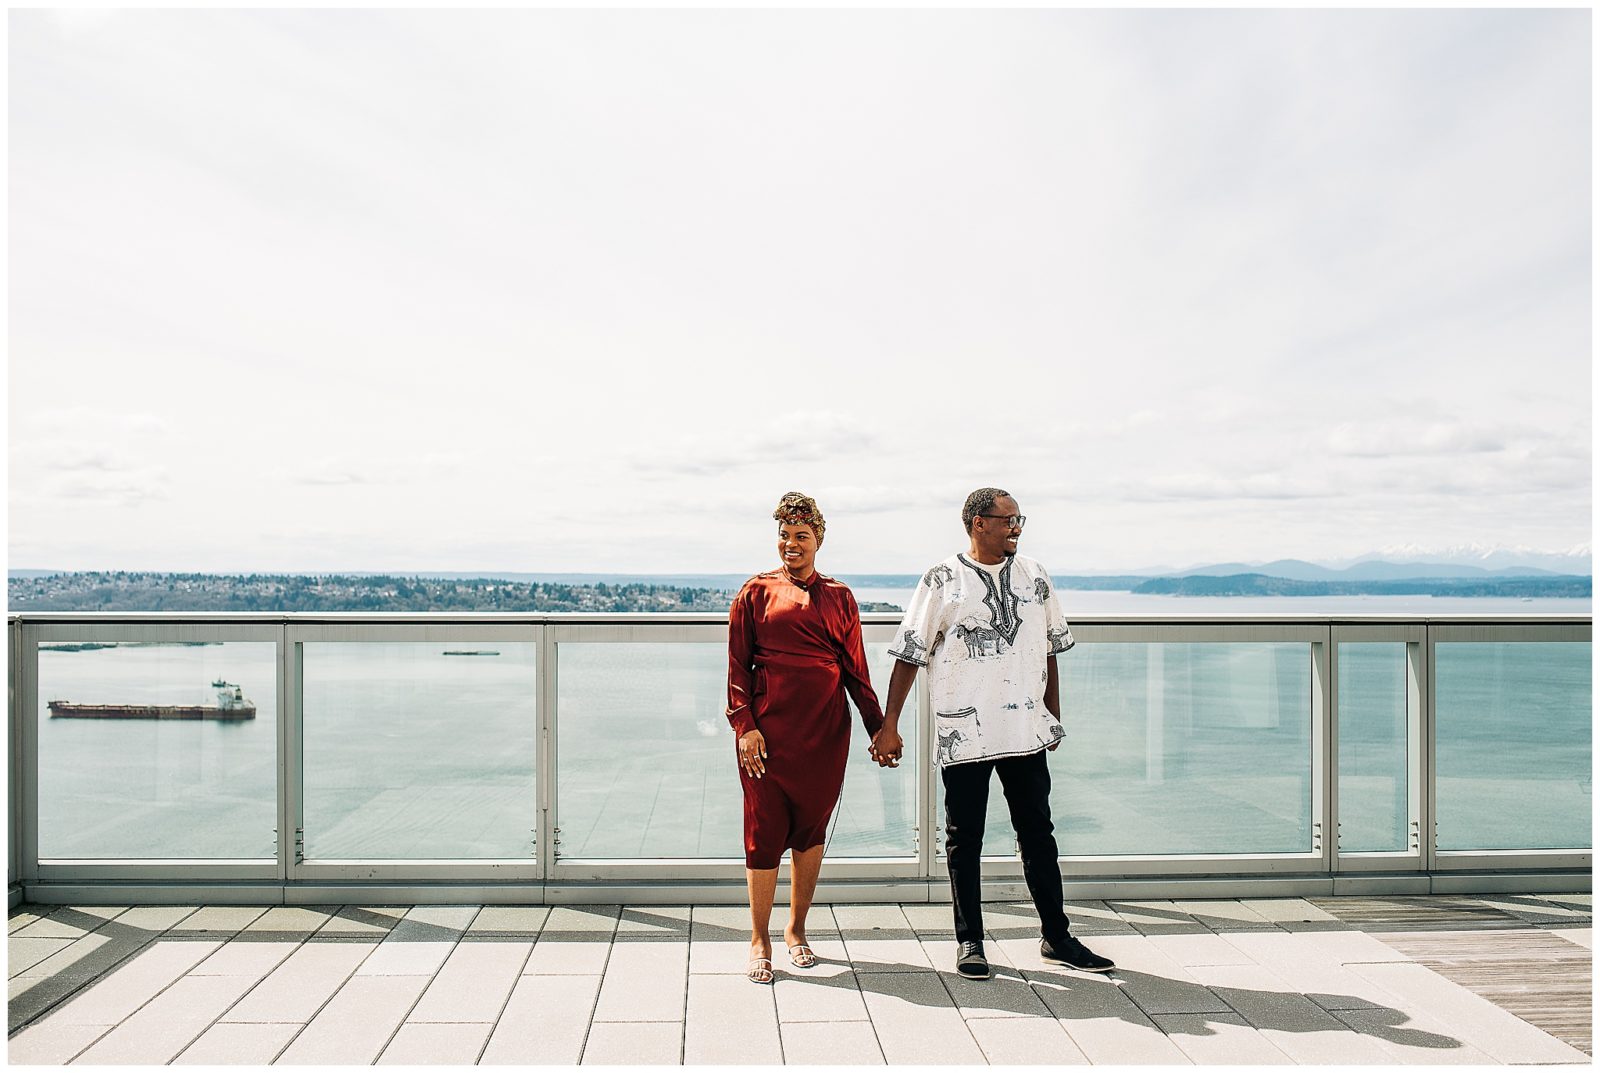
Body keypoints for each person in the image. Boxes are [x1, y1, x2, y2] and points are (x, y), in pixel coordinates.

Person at [870, 488, 1115, 980]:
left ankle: (1057, 936)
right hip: (965, 731)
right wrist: (888, 725)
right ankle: (970, 942)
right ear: (979, 523)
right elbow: (909, 653)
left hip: (1024, 729)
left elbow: (1049, 647)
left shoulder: (1035, 576)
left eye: (1019, 519)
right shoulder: (942, 580)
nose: (1017, 527)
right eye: (1009, 519)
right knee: (966, 839)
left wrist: (1052, 714)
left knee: (1038, 834)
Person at [727, 492, 886, 984]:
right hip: (767, 736)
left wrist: (879, 728)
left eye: (801, 536)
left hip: (824, 735)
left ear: (818, 540)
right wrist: (744, 726)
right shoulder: (754, 592)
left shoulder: (839, 597)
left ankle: (797, 929)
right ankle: (759, 937)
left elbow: (856, 671)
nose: (791, 544)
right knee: (763, 832)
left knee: (810, 833)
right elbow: (737, 668)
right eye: (784, 536)